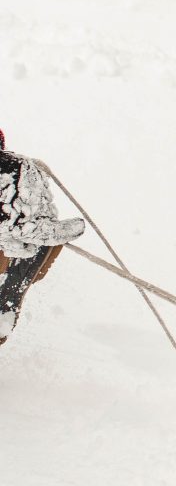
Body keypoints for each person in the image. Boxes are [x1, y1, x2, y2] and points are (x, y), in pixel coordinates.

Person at [0, 133, 85, 347]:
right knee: (39, 242)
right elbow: (39, 231)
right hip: (12, 254)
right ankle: (5, 308)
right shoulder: (19, 168)